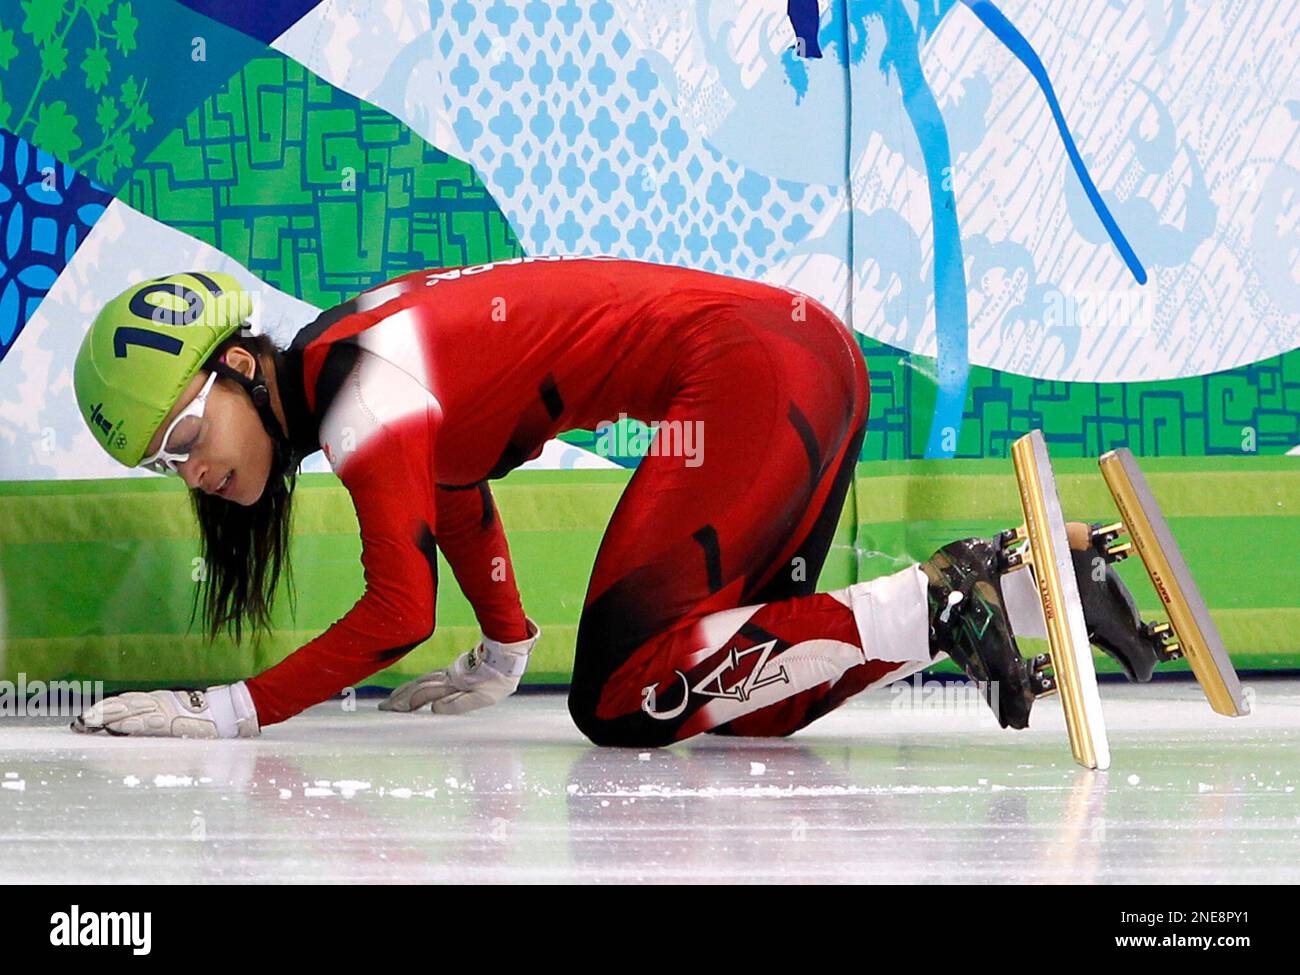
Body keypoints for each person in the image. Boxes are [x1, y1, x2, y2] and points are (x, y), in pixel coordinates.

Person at [69, 257, 1156, 743]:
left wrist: (228, 713)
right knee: (733, 694)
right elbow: (454, 500)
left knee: (624, 694)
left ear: (240, 369)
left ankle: (949, 592)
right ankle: (1030, 586)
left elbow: (396, 610)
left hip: (746, 373)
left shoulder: (357, 393)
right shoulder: (352, 367)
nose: (193, 473)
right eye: (164, 468)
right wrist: (502, 650)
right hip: (796, 352)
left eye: (182, 436)